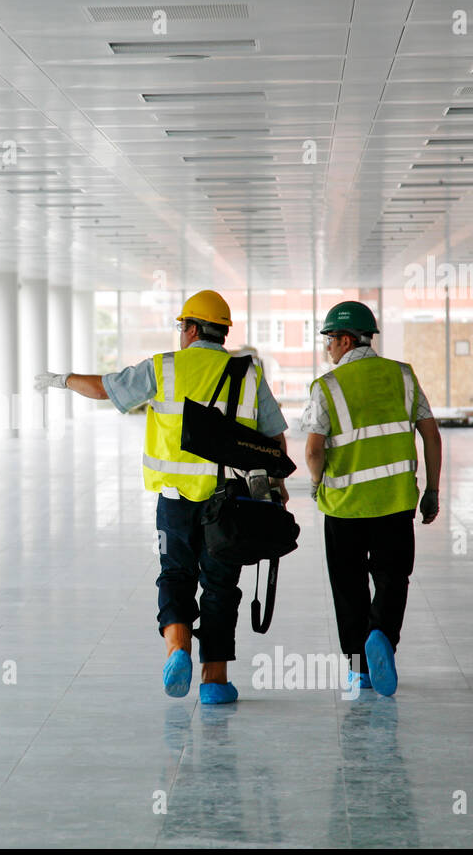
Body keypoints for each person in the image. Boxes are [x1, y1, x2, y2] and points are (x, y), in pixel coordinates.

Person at [34, 290, 289, 705]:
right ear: (221, 332)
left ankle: (177, 651)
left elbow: (105, 389)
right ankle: (215, 682)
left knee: (175, 575)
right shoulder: (249, 373)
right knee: (221, 585)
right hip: (228, 503)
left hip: (173, 503)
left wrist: (63, 380)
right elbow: (275, 438)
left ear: (190, 329)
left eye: (181, 326)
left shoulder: (164, 368)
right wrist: (276, 491)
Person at [300, 301, 442, 697]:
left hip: (344, 507)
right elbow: (431, 434)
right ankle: (381, 633)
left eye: (330, 340)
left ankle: (360, 669)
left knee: (348, 586)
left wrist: (316, 484)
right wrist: (431, 490)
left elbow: (313, 451)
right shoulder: (403, 376)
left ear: (345, 340)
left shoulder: (326, 386)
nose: (328, 348)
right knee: (393, 577)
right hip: (395, 502)